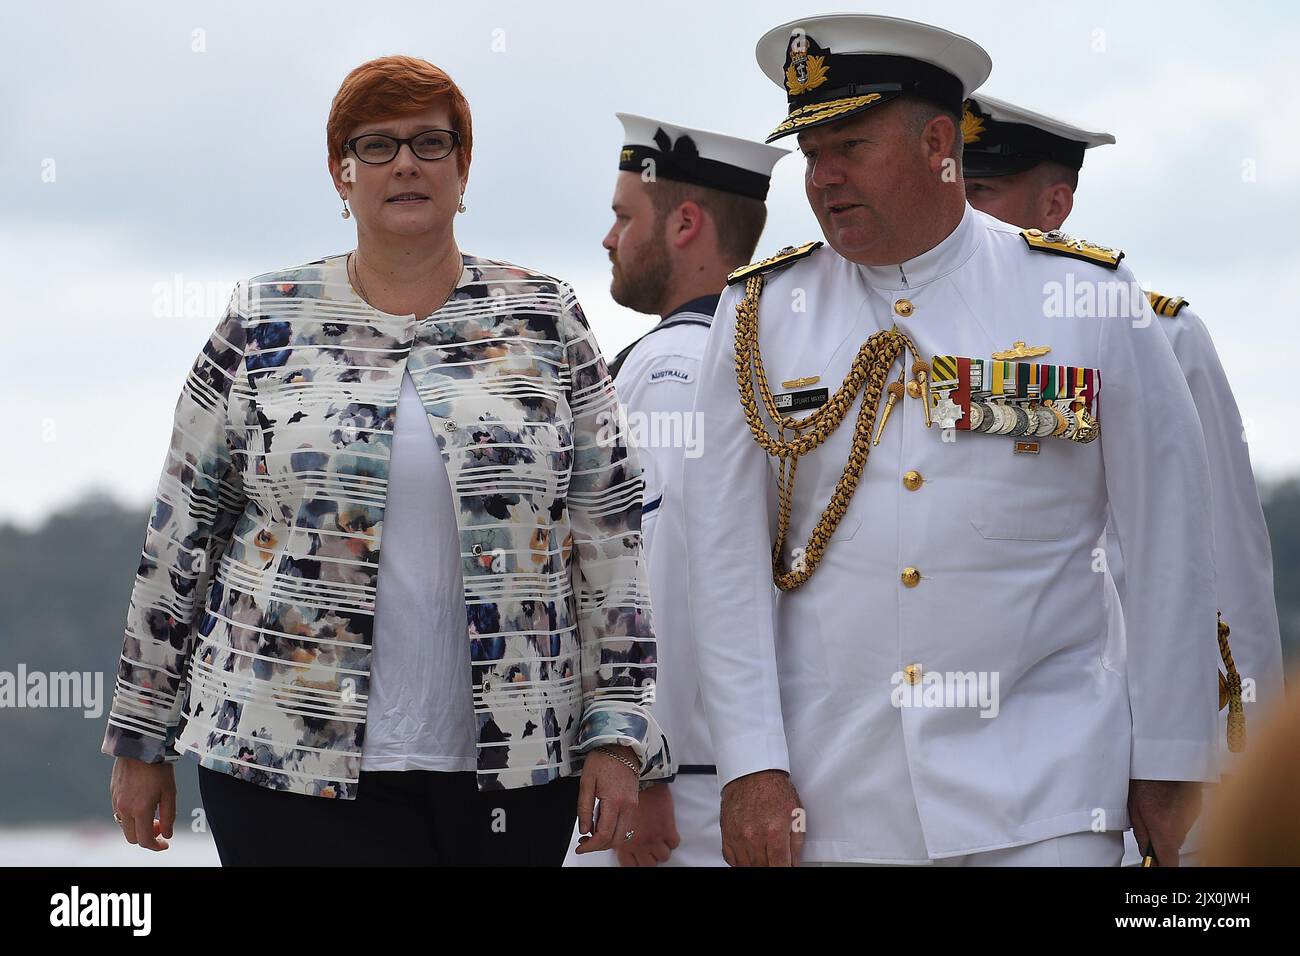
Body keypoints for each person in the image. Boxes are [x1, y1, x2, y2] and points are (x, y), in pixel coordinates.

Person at [101, 54, 669, 866]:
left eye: (431, 143)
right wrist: (141, 735)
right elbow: (178, 535)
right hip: (282, 758)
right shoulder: (263, 320)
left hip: (512, 767)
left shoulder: (546, 320)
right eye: (376, 145)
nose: (405, 162)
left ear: (463, 169)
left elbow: (612, 546)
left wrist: (618, 738)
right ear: (342, 175)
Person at [682, 14, 1219, 866]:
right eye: (812, 155)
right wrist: (751, 765)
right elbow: (720, 558)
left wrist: (1172, 753)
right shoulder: (761, 313)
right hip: (835, 796)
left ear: (939, 142)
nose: (823, 178)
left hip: (1046, 785)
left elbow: (1173, 540)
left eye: (849, 148)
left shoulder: (1086, 294)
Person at [961, 92, 1286, 865]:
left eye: (981, 192)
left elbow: (1226, 566)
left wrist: (1233, 764)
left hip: (1125, 736)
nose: (962, 213)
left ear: (1056, 201)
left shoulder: (1159, 333)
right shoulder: (906, 348)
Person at [564, 113, 787, 867]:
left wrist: (644, 759)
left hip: (669, 790)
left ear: (685, 224)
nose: (609, 238)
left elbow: (660, 573)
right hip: (708, 775)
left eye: (625, 217)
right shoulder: (750, 353)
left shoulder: (671, 369)